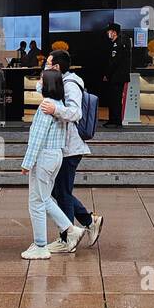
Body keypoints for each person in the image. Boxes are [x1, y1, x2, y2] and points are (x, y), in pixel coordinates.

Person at [21, 69, 87, 259]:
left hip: (44, 157)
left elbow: (36, 139)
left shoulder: (46, 106)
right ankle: (70, 229)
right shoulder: (58, 105)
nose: (38, 82)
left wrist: (27, 163)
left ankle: (40, 245)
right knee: (45, 199)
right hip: (56, 155)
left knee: (36, 202)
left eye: (41, 79)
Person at [45, 50, 102, 252]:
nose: (45, 66)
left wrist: (55, 111)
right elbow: (39, 87)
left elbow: (75, 112)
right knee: (57, 190)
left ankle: (67, 238)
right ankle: (88, 220)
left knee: (62, 192)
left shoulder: (70, 85)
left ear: (57, 67)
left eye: (48, 63)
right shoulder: (60, 82)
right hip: (62, 146)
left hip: (71, 147)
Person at [101, 22, 131, 127]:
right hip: (116, 77)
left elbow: (114, 62)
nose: (107, 33)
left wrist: (107, 74)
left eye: (109, 31)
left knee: (115, 99)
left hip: (117, 77)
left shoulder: (118, 44)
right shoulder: (117, 43)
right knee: (112, 99)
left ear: (114, 32)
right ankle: (112, 120)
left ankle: (116, 121)